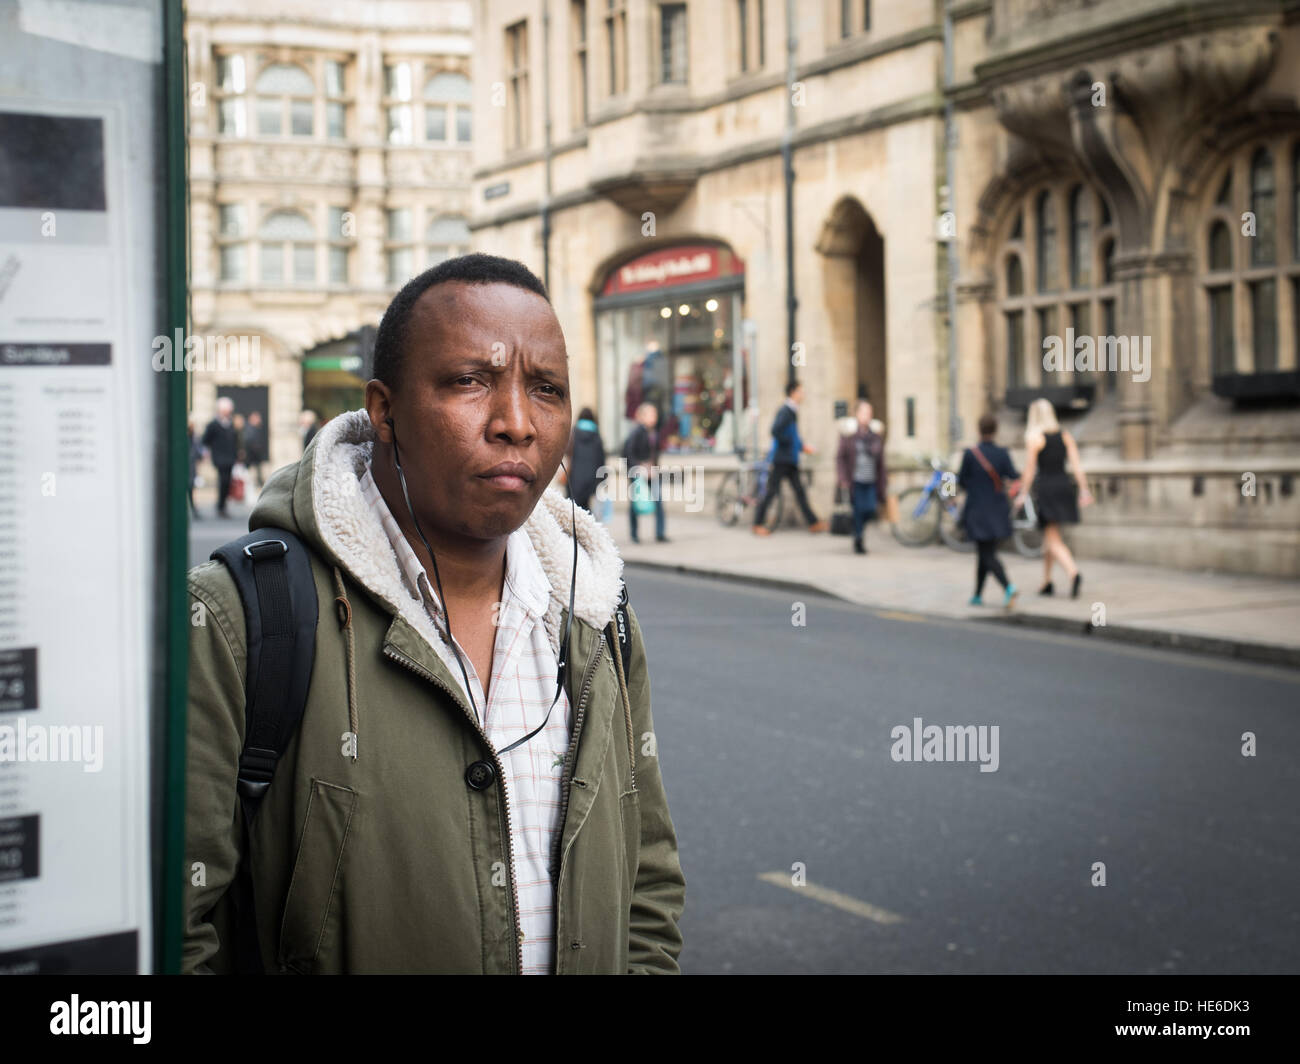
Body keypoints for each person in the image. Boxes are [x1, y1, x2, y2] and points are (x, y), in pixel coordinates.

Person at [184, 253, 685, 974]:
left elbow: (649, 874)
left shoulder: (596, 614)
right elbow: (178, 925)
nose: (516, 423)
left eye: (546, 389)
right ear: (384, 410)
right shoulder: (241, 620)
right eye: (471, 381)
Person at [1011, 397, 1093, 598]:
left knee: (1053, 539)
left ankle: (1073, 573)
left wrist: (1022, 494)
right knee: (1051, 536)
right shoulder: (1065, 436)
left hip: (1046, 489)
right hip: (1064, 486)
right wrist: (1084, 489)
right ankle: (1046, 581)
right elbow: (1076, 465)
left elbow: (1030, 470)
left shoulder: (1035, 438)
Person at [958, 413, 1020, 607]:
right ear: (995, 431)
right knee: (985, 552)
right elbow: (1013, 475)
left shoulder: (970, 453)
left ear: (979, 430)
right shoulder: (1003, 453)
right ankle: (977, 595)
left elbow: (959, 481)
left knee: (986, 554)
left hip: (977, 509)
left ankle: (1008, 586)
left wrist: (948, 494)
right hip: (998, 509)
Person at [753, 380, 828, 536]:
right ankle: (757, 523)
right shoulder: (785, 411)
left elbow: (792, 434)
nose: (803, 395)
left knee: (800, 492)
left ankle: (813, 522)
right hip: (782, 459)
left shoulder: (792, 411)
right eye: (800, 391)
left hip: (790, 459)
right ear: (793, 392)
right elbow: (775, 431)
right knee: (771, 491)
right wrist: (791, 444)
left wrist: (801, 447)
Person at [835, 399, 888, 554]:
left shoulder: (875, 435)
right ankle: (858, 538)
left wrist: (884, 479)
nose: (867, 415)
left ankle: (858, 531)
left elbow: (881, 460)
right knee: (858, 510)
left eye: (869, 412)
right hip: (855, 480)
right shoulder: (849, 434)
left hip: (871, 479)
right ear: (857, 414)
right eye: (864, 412)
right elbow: (840, 457)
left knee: (870, 509)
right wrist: (842, 479)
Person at [622, 402, 667, 543]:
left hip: (652, 473)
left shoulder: (654, 432)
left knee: (658, 502)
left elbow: (655, 453)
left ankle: (660, 533)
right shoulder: (636, 432)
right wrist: (639, 467)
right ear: (641, 416)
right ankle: (634, 534)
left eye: (655, 414)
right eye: (651, 414)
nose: (654, 417)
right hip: (638, 474)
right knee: (636, 504)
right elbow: (627, 453)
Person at [201, 397, 238, 518]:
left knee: (227, 482)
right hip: (220, 457)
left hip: (230, 458)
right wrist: (206, 453)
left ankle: (223, 504)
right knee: (223, 480)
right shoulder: (213, 424)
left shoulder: (231, 423)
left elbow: (236, 440)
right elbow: (205, 440)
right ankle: (220, 506)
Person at [566, 406, 607, 513]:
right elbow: (601, 459)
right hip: (591, 478)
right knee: (586, 508)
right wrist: (602, 479)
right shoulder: (597, 436)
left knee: (572, 509)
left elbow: (567, 452)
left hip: (574, 476)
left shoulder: (573, 433)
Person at [242, 410, 267, 488]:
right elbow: (248, 441)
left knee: (257, 469)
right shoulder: (249, 428)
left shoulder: (257, 428)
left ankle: (257, 482)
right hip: (251, 454)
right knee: (247, 470)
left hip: (256, 454)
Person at [187, 418, 202, 519]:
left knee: (191, 489)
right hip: (188, 467)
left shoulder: (193, 438)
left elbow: (197, 451)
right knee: (189, 489)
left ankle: (193, 509)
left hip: (191, 467)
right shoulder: (188, 438)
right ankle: (192, 509)